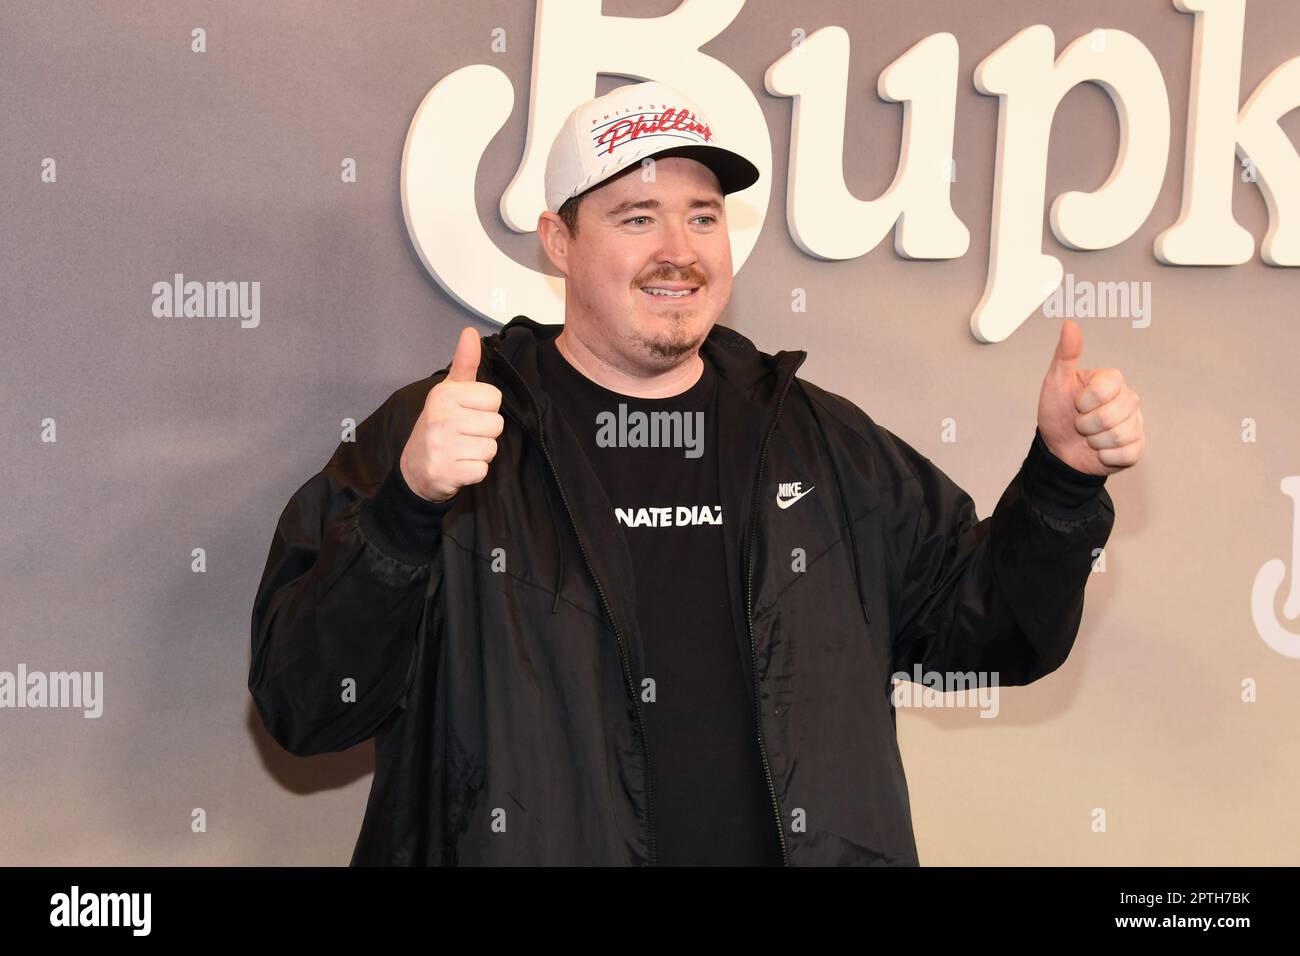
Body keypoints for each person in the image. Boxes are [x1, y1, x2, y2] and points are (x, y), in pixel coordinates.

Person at [248, 80, 1145, 866]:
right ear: (558, 242)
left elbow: (990, 639)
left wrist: (1062, 482)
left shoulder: (815, 438)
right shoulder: (445, 428)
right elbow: (306, 706)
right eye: (637, 218)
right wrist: (404, 512)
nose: (679, 249)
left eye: (703, 216)